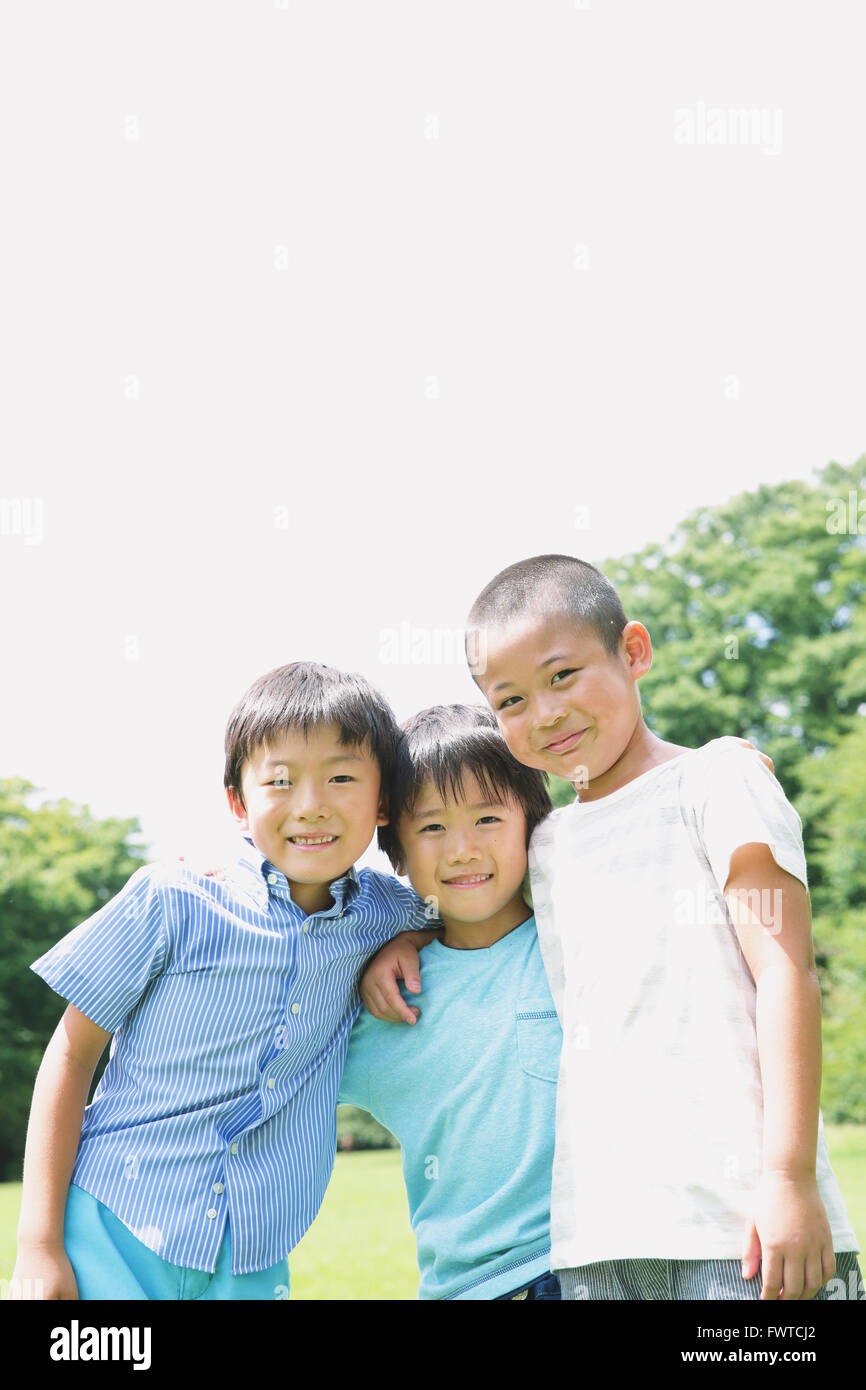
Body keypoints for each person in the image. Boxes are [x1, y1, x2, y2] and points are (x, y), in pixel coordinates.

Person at [363, 554, 862, 1301]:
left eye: (563, 677)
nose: (547, 714)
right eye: (513, 701)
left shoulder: (715, 780)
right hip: (596, 1244)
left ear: (633, 651)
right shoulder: (548, 845)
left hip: (741, 1231)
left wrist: (788, 1180)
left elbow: (787, 972)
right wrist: (408, 936)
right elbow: (467, 887)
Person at [11, 661, 439, 1301]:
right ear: (239, 803)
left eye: (341, 777)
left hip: (254, 1250)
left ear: (382, 801)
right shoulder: (174, 897)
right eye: (281, 781)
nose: (312, 805)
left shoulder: (383, 912)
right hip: (113, 1223)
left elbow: (467, 908)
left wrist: (404, 940)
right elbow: (71, 1055)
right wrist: (39, 1248)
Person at [340, 703, 562, 1300]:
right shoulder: (384, 998)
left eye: (488, 817)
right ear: (398, 850)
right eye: (432, 827)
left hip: (586, 1268)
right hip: (463, 1288)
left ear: (531, 823)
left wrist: (707, 778)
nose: (461, 849)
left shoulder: (576, 944)